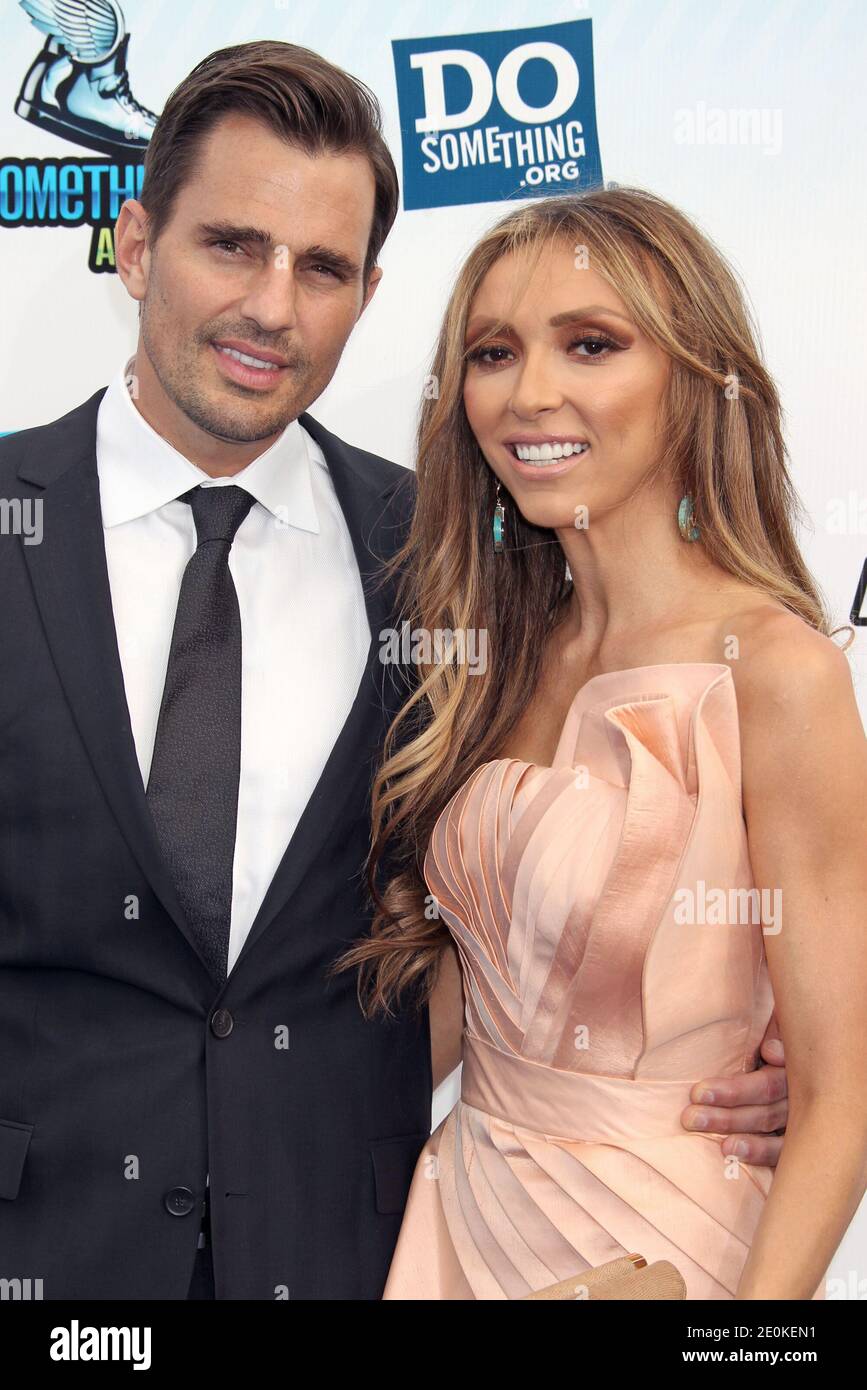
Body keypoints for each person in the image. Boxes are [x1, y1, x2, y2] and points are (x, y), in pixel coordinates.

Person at [0, 42, 795, 1301]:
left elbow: (558, 879)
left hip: (363, 1253)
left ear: (368, 294)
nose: (274, 307)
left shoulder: (457, 567)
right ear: (137, 246)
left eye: (322, 268)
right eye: (231, 245)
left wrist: (746, 1035)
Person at [333, 188, 867, 1300]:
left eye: (591, 344)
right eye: (493, 351)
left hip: (669, 1250)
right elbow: (467, 1003)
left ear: (694, 374)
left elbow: (839, 1095)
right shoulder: (491, 660)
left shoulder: (775, 672)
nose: (531, 393)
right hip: (462, 1221)